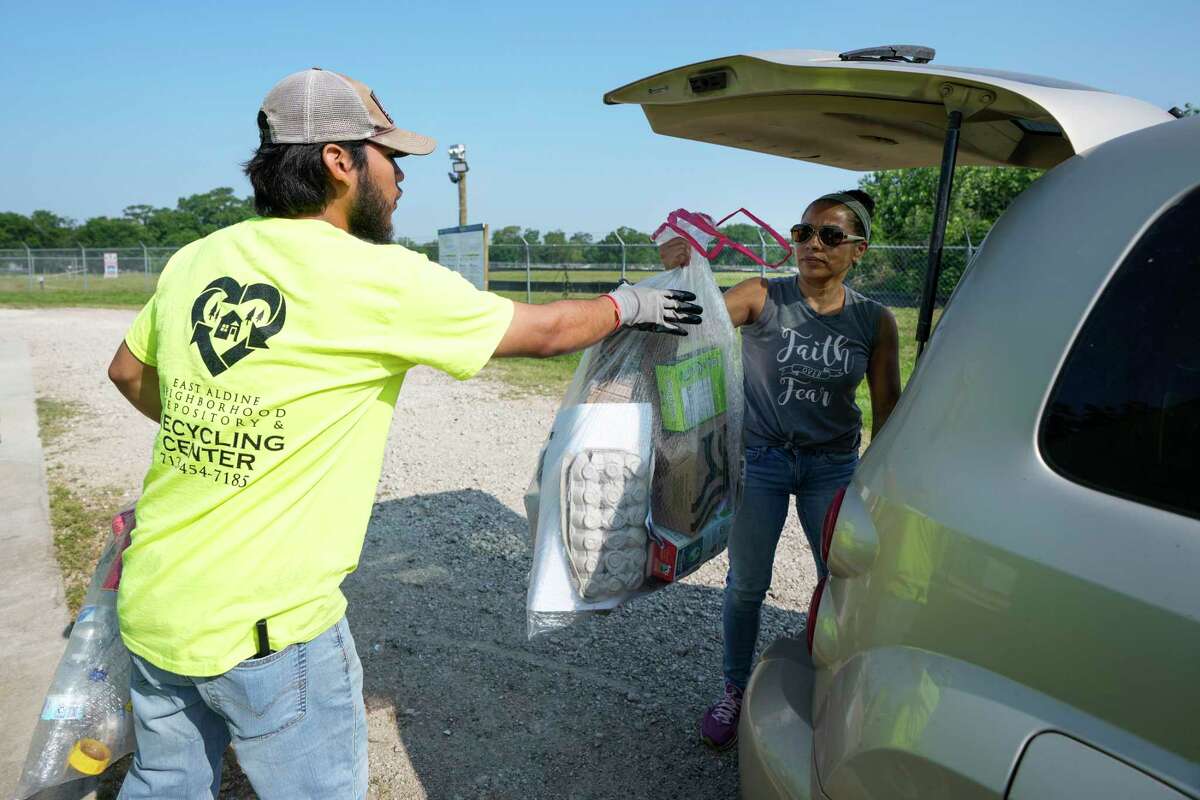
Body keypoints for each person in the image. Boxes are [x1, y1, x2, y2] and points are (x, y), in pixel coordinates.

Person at [105, 67, 702, 800]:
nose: (401, 178)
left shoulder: (198, 258)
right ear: (338, 161)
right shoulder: (374, 277)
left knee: (163, 782)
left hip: (154, 598)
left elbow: (128, 372)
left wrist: (222, 426)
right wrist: (633, 302)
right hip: (267, 629)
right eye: (391, 158)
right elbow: (543, 332)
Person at [659, 190, 901, 750]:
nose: (813, 244)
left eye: (831, 236)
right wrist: (684, 271)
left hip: (832, 467)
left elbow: (887, 408)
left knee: (838, 584)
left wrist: (880, 483)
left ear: (858, 250)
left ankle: (834, 686)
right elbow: (696, 319)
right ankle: (734, 690)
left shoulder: (873, 321)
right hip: (762, 460)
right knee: (747, 584)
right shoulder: (764, 296)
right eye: (804, 232)